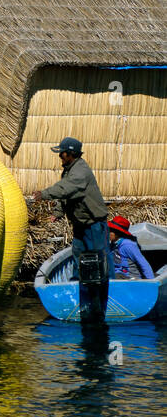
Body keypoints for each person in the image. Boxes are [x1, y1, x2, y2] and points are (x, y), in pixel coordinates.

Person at [33, 137, 108, 319]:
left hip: (94, 225)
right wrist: (58, 212)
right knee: (78, 256)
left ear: (70, 153)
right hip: (80, 226)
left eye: (62, 152)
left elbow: (67, 189)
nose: (60, 156)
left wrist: (44, 194)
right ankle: (77, 289)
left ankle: (106, 290)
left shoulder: (80, 172)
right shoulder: (69, 170)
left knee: (99, 260)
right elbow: (67, 196)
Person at [108, 215, 154, 280]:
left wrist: (151, 282)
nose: (107, 233)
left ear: (117, 233)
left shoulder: (128, 245)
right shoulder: (113, 244)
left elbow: (143, 264)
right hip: (117, 276)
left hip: (130, 278)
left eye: (110, 231)